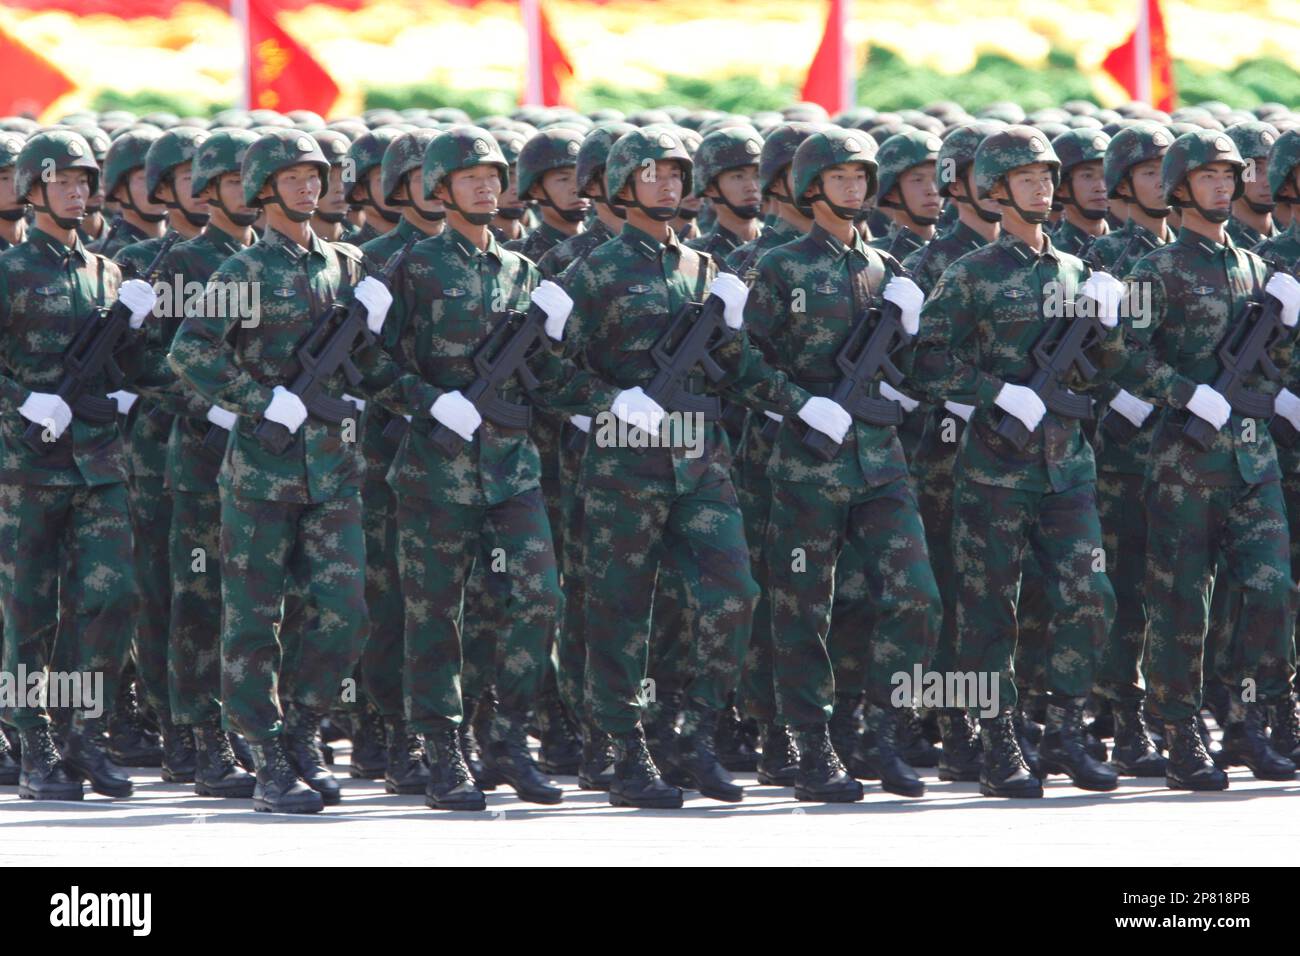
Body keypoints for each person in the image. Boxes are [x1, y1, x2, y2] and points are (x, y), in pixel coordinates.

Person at [558, 126, 820, 806]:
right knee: (622, 611)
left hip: (701, 459)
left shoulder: (703, 270)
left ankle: (691, 730)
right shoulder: (591, 273)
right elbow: (544, 368)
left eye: (676, 172)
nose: (669, 184)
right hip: (625, 465)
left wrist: (801, 403)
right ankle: (621, 750)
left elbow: (736, 366)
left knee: (734, 593)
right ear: (621, 186)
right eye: (653, 174)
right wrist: (607, 400)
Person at [169, 129, 390, 813]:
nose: (307, 188)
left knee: (345, 610)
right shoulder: (241, 272)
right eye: (292, 178)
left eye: (314, 176)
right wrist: (264, 401)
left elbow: (371, 367)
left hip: (333, 468)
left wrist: (374, 341)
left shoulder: (346, 264)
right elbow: (191, 352)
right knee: (253, 620)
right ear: (266, 189)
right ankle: (265, 756)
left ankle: (301, 727)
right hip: (262, 471)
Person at [910, 126, 1125, 798]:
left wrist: (1111, 326)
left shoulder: (1075, 271)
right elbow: (929, 361)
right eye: (1027, 179)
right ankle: (997, 740)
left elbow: (1103, 373)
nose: (1042, 188)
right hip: (995, 467)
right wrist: (995, 393)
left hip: (1067, 466)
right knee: (988, 608)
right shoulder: (969, 274)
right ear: (996, 191)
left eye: (1046, 177)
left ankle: (1063, 727)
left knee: (1088, 596)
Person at [1115, 129, 1300, 789]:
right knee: (1181, 601)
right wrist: (1186, 393)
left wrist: (1283, 345)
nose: (1227, 186)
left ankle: (1254, 721)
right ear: (1181, 187)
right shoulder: (1155, 270)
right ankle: (1179, 729)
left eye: (1232, 175)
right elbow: (1121, 354)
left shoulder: (1253, 266)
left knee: (1270, 588)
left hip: (1252, 462)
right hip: (1184, 464)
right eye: (1212, 176)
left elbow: (1272, 362)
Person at [0, 130, 158, 800]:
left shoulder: (107, 272)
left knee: (110, 598)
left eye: (84, 182)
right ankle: (30, 736)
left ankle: (83, 731)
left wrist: (145, 333)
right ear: (34, 189)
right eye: (63, 180)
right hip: (25, 466)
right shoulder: (8, 270)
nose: (77, 192)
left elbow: (135, 367)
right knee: (28, 607)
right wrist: (21, 404)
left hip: (96, 463)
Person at [137, 128, 260, 798]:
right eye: (236, 182)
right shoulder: (184, 265)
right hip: (201, 458)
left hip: (268, 456)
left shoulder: (267, 259)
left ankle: (246, 727)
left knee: (255, 605)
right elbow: (153, 359)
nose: (250, 193)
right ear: (211, 192)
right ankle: (196, 735)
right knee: (198, 600)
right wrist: (211, 402)